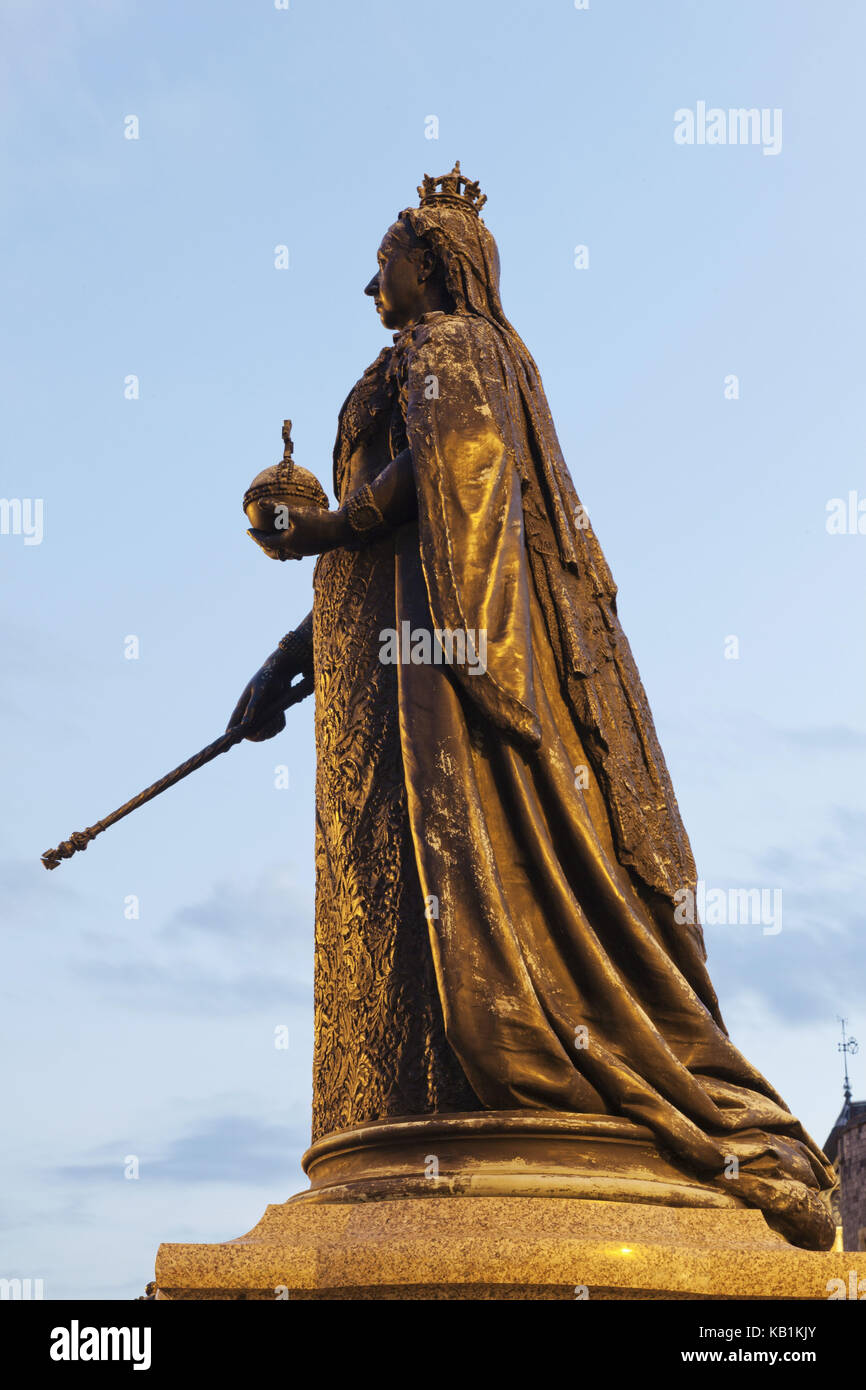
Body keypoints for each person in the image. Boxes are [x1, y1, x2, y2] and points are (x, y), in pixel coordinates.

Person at [228, 164, 835, 1249]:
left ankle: (535, 1073)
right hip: (392, 665)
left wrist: (320, 531)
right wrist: (293, 652)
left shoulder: (453, 349)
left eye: (385, 264)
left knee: (468, 870)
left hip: (446, 684)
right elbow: (396, 553)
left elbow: (454, 467)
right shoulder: (427, 357)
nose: (371, 286)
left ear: (435, 265)